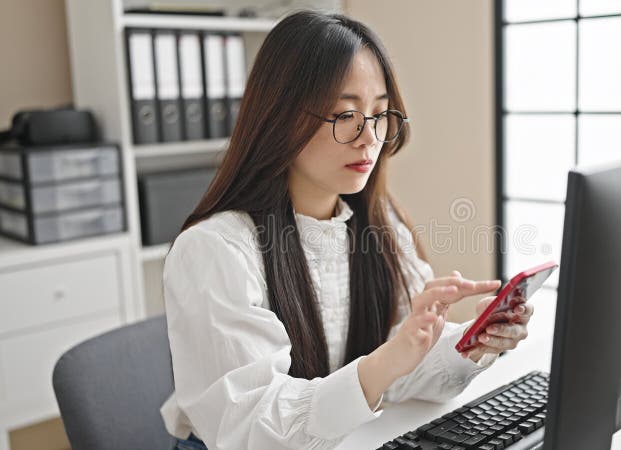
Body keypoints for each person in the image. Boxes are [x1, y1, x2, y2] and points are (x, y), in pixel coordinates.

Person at [160, 10, 534, 450]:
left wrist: (469, 343)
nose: (369, 137)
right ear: (280, 117)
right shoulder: (215, 249)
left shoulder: (376, 222)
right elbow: (254, 427)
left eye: (379, 114)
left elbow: (400, 376)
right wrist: (386, 362)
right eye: (344, 114)